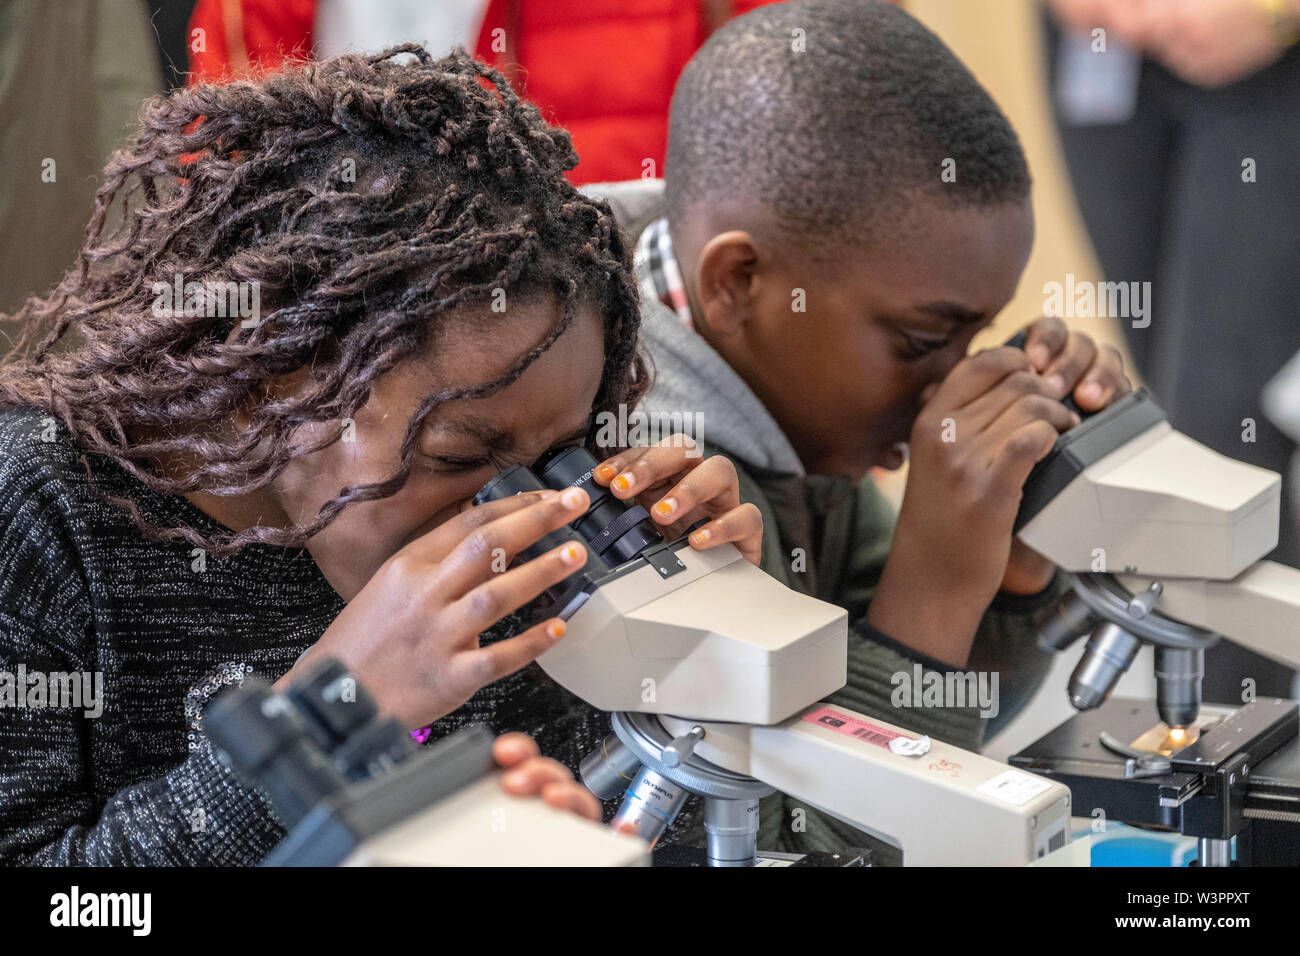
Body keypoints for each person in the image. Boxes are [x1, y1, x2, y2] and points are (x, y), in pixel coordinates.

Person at [0, 46, 759, 865]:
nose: (525, 510)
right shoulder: (44, 517)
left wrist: (690, 666)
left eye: (563, 456)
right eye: (462, 453)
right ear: (275, 376)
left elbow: (636, 835)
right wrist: (328, 718)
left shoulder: (528, 548)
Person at [593, 0, 1132, 852]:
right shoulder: (640, 484)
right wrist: (939, 580)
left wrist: (1010, 577)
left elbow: (949, 725)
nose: (949, 383)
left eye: (977, 337)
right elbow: (792, 842)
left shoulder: (789, 402)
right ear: (737, 281)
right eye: (923, 339)